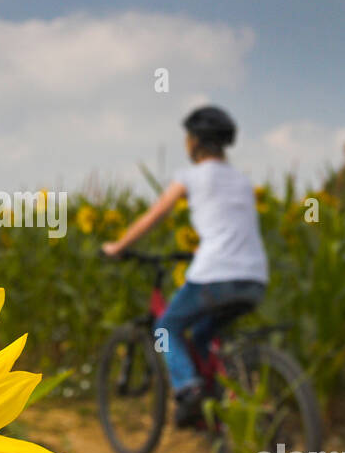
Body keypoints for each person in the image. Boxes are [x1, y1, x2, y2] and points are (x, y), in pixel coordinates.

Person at [102, 106, 268, 427]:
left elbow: (155, 215)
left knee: (165, 328)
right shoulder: (242, 182)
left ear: (194, 142)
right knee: (204, 334)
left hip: (216, 273)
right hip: (254, 279)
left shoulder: (190, 177)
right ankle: (217, 405)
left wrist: (118, 247)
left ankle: (189, 391)